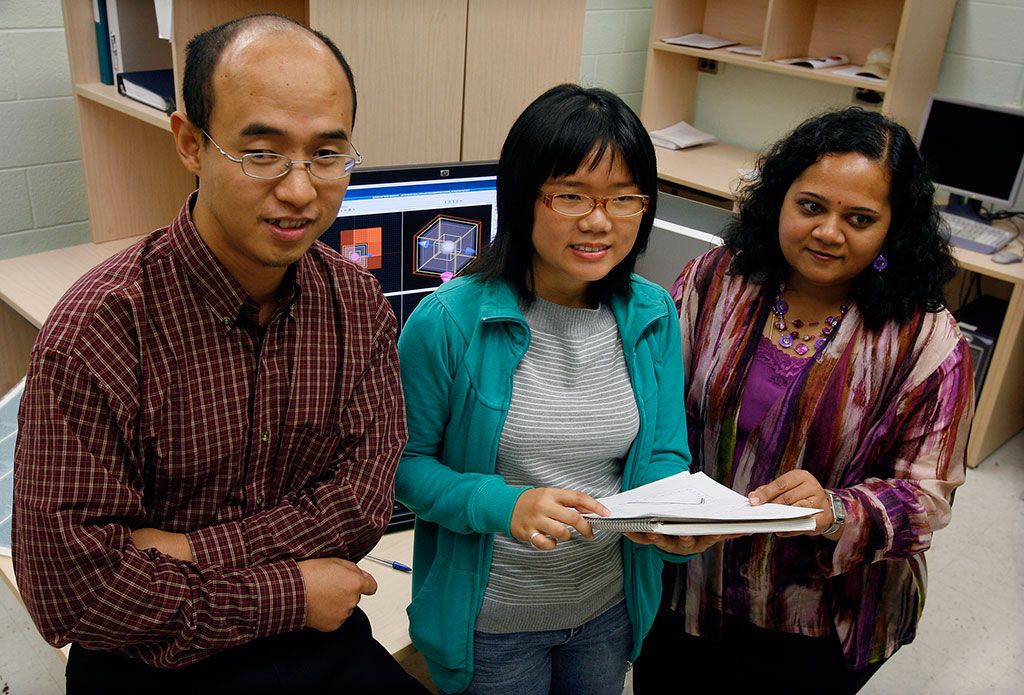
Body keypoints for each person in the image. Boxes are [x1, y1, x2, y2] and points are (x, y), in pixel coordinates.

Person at [13, 14, 427, 693]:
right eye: (261, 153)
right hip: (149, 664)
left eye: (327, 155)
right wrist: (288, 590)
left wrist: (186, 549)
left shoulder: (355, 305)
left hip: (317, 642)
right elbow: (74, 592)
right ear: (189, 143)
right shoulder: (99, 331)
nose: (299, 189)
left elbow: (359, 506)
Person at [633, 108, 974, 694]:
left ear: (895, 229)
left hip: (816, 619)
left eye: (860, 218)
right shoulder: (719, 278)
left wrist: (835, 509)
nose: (828, 232)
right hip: (689, 586)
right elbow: (649, 400)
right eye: (811, 206)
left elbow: (926, 497)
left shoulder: (926, 342)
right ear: (780, 200)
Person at [395, 83, 704, 695]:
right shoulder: (450, 321)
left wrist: (665, 515)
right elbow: (404, 467)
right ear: (522, 197)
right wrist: (503, 505)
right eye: (571, 196)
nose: (598, 221)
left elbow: (665, 452)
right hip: (492, 623)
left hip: (606, 608)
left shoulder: (653, 314)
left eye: (624, 199)